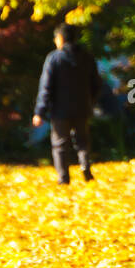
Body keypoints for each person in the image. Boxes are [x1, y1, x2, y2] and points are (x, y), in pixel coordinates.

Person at [33, 22, 101, 185]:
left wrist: (39, 112)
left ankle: (63, 177)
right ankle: (85, 166)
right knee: (82, 141)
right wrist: (91, 101)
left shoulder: (54, 58)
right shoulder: (87, 57)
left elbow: (46, 87)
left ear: (61, 38)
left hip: (60, 110)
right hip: (82, 107)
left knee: (60, 144)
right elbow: (96, 83)